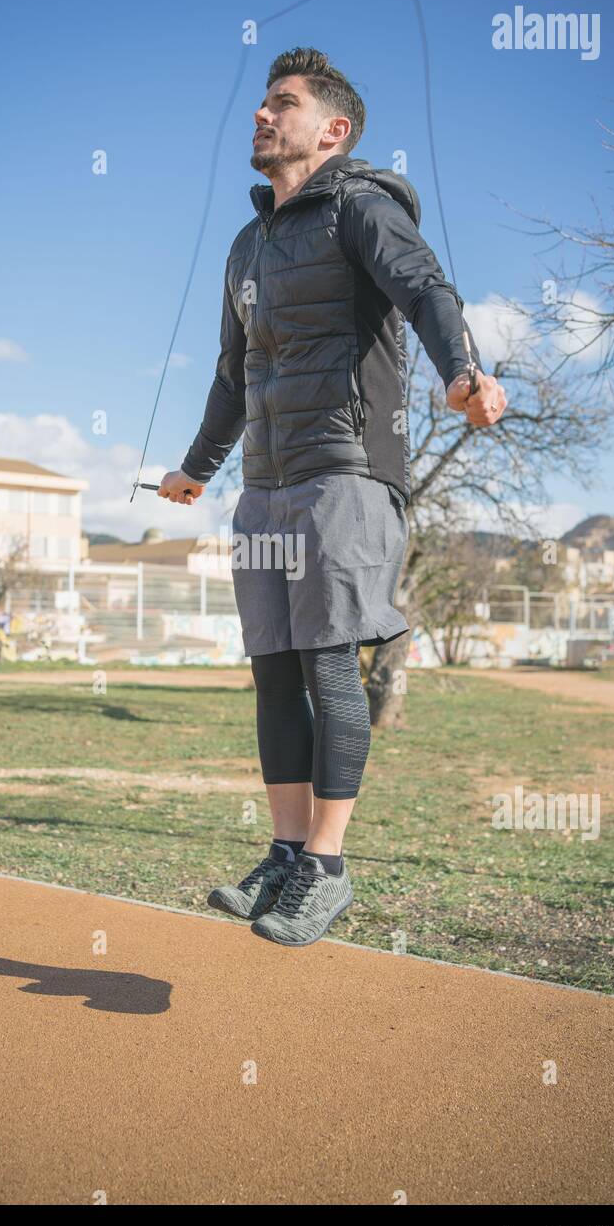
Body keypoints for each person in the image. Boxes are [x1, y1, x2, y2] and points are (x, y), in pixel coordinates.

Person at [158, 47, 506, 948]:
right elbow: (235, 375)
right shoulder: (249, 244)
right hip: (265, 487)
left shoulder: (361, 204)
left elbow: (427, 290)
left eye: (283, 104)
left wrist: (463, 371)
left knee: (326, 661)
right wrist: (198, 468)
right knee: (273, 670)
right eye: (261, 106)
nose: (262, 117)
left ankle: (328, 865)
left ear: (333, 129)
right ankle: (283, 850)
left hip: (344, 474)